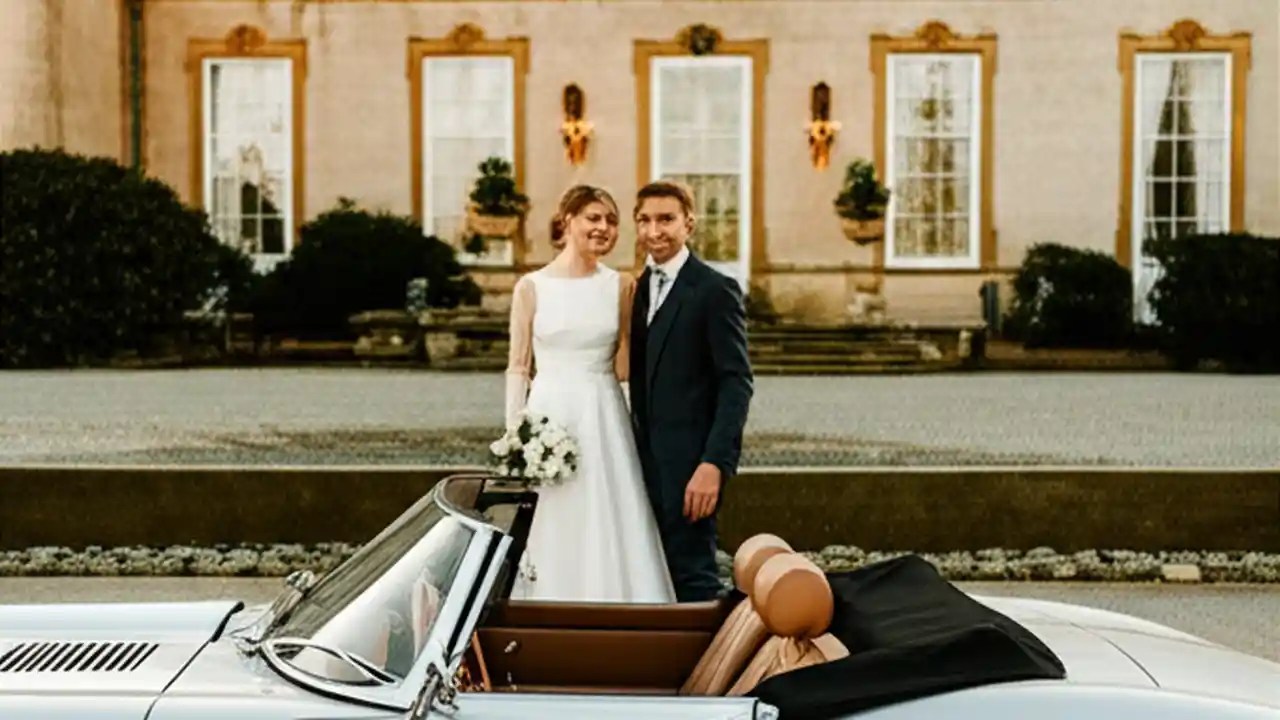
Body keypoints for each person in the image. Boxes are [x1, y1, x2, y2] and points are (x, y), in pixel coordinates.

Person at [504, 184, 676, 603]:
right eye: (593, 218)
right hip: (548, 413)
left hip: (603, 413)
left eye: (611, 221)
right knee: (552, 513)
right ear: (568, 222)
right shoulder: (531, 287)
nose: (603, 228)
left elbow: (625, 364)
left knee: (611, 512)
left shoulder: (620, 286)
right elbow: (519, 365)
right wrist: (515, 435)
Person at [629, 180, 753, 602]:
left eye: (666, 219)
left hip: (690, 466)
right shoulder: (639, 288)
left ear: (689, 224)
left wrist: (714, 464)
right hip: (642, 463)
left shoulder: (716, 290)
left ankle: (718, 665)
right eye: (644, 220)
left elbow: (736, 382)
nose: (654, 231)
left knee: (694, 579)